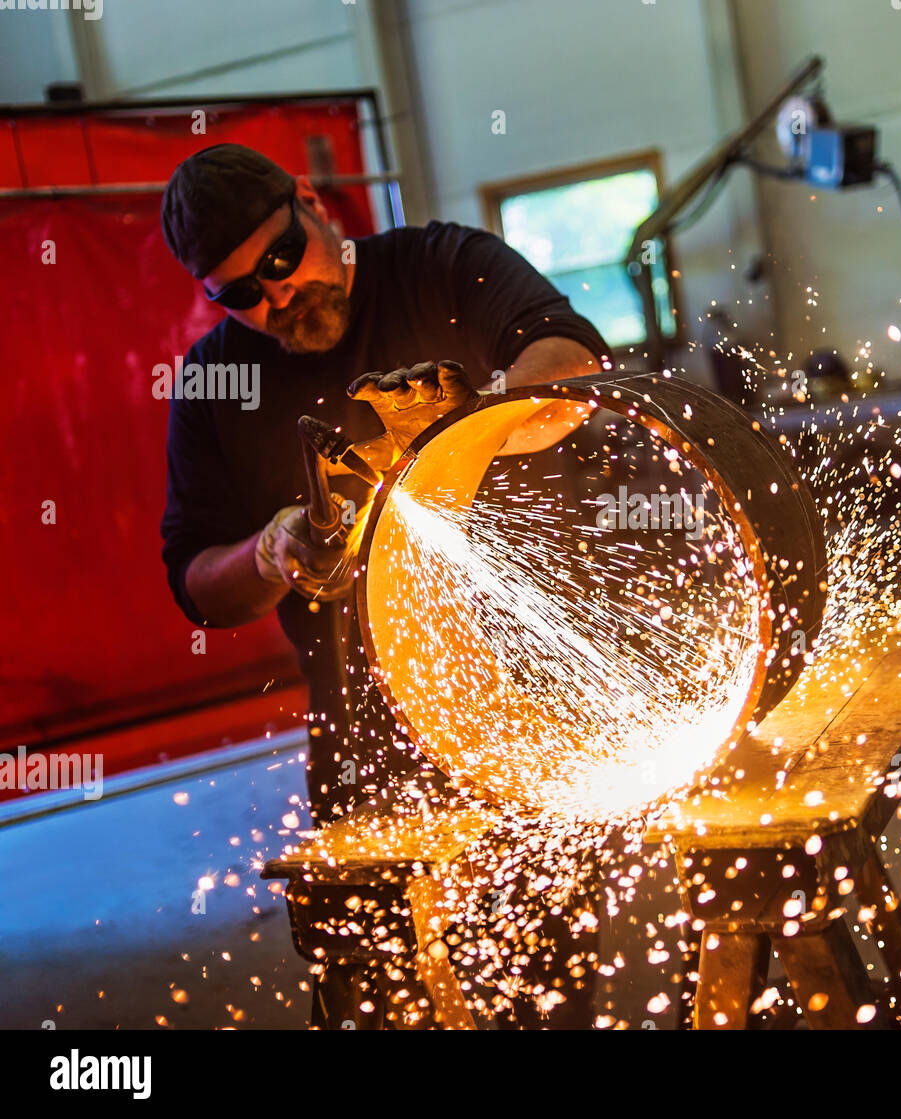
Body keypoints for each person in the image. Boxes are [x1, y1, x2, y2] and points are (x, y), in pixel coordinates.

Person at [158, 143, 608, 1027]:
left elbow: (574, 359)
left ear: (310, 200)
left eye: (282, 260)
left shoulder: (440, 267)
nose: (277, 295)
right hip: (363, 752)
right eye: (242, 293)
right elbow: (194, 580)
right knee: (374, 998)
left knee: (540, 993)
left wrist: (464, 439)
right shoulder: (215, 382)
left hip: (524, 725)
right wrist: (269, 550)